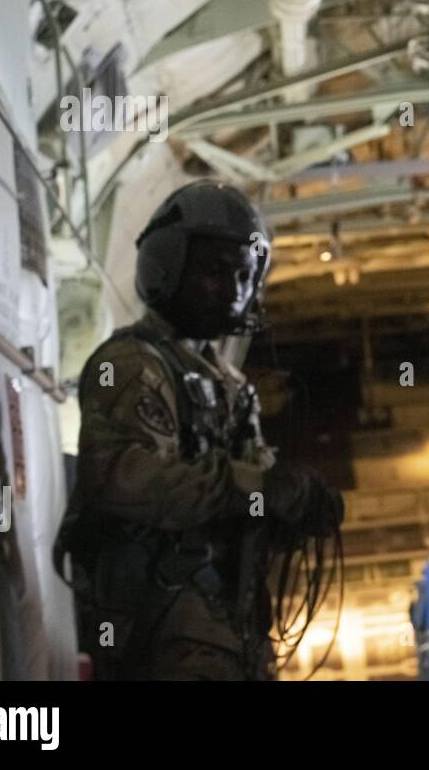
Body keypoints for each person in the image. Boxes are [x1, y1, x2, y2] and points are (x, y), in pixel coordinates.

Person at [55, 180, 342, 680]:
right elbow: (124, 479)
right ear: (166, 265)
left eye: (244, 275)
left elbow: (243, 508)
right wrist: (255, 488)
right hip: (162, 638)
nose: (232, 289)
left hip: (230, 633)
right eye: (213, 271)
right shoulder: (130, 364)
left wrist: (291, 512)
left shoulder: (227, 382)